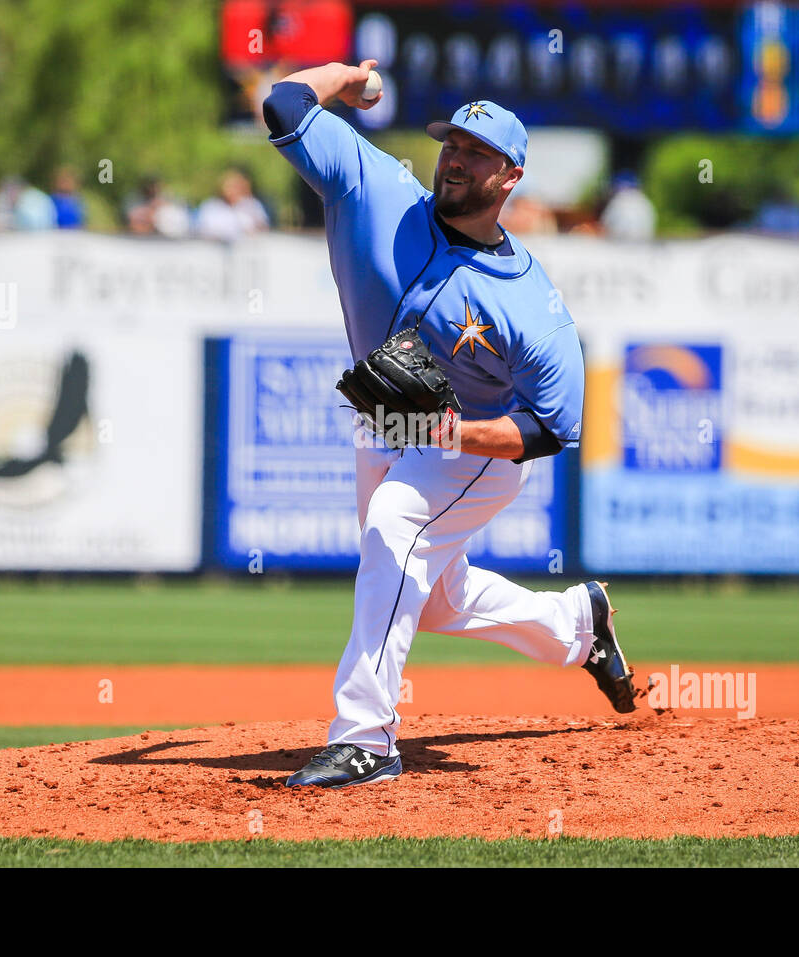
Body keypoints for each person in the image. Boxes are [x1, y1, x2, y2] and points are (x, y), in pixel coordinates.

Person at [262, 60, 639, 790]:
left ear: (511, 175)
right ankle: (577, 624)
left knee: (395, 528)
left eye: (477, 151)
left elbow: (550, 430)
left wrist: (445, 433)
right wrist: (344, 76)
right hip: (389, 426)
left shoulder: (529, 304)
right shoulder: (373, 187)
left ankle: (366, 737)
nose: (456, 158)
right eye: (451, 143)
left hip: (477, 446)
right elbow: (281, 105)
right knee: (433, 597)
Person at [196, 167, 270, 241]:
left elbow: (263, 227)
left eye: (236, 186)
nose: (232, 190)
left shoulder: (251, 204)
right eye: (229, 186)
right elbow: (203, 230)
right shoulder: (211, 206)